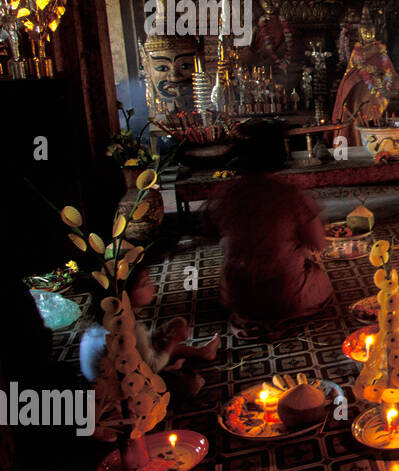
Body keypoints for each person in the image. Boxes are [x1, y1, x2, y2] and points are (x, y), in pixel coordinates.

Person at [209, 122, 334, 339]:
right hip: (286, 296)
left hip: (239, 298)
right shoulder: (291, 195)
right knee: (319, 276)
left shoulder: (225, 195)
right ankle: (287, 310)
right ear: (279, 153)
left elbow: (214, 234)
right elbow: (318, 243)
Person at [80, 260, 220, 403]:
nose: (152, 285)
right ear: (125, 294)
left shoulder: (108, 319)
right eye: (144, 283)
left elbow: (139, 347)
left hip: (107, 376)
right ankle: (181, 364)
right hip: (119, 392)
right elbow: (152, 367)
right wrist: (172, 341)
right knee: (191, 383)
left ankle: (202, 352)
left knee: (161, 342)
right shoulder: (129, 328)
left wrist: (162, 334)